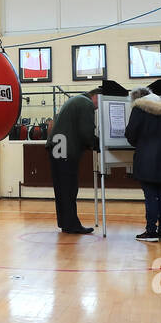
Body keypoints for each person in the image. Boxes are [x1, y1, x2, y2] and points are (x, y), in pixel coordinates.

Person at [126, 87, 161, 242]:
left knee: (150, 196)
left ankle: (151, 231)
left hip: (147, 156)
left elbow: (130, 134)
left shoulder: (138, 110)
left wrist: (141, 143)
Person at [46, 91, 98, 234]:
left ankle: (65, 223)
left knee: (62, 188)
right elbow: (86, 131)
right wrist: (96, 144)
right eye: (99, 104)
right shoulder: (86, 103)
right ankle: (72, 225)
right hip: (65, 149)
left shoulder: (76, 100)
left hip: (57, 147)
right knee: (69, 187)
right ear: (96, 96)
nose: (97, 108)